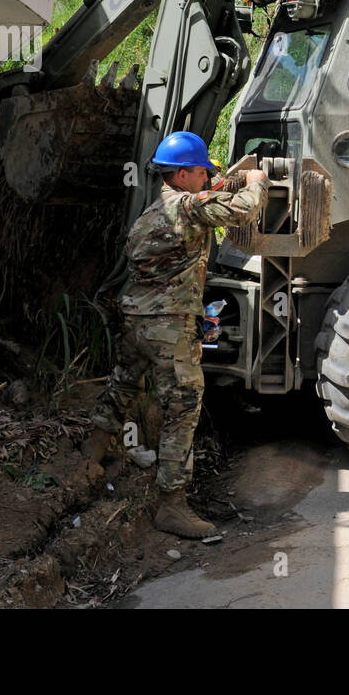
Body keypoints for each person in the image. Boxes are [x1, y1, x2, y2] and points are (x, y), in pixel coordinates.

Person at [82, 130, 268, 538]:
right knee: (182, 408)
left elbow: (205, 204)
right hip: (168, 327)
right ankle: (171, 506)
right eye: (202, 171)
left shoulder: (157, 209)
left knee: (123, 386)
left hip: (135, 322)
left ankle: (90, 455)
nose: (206, 178)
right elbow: (239, 212)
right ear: (182, 175)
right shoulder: (188, 207)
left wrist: (213, 188)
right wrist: (257, 185)